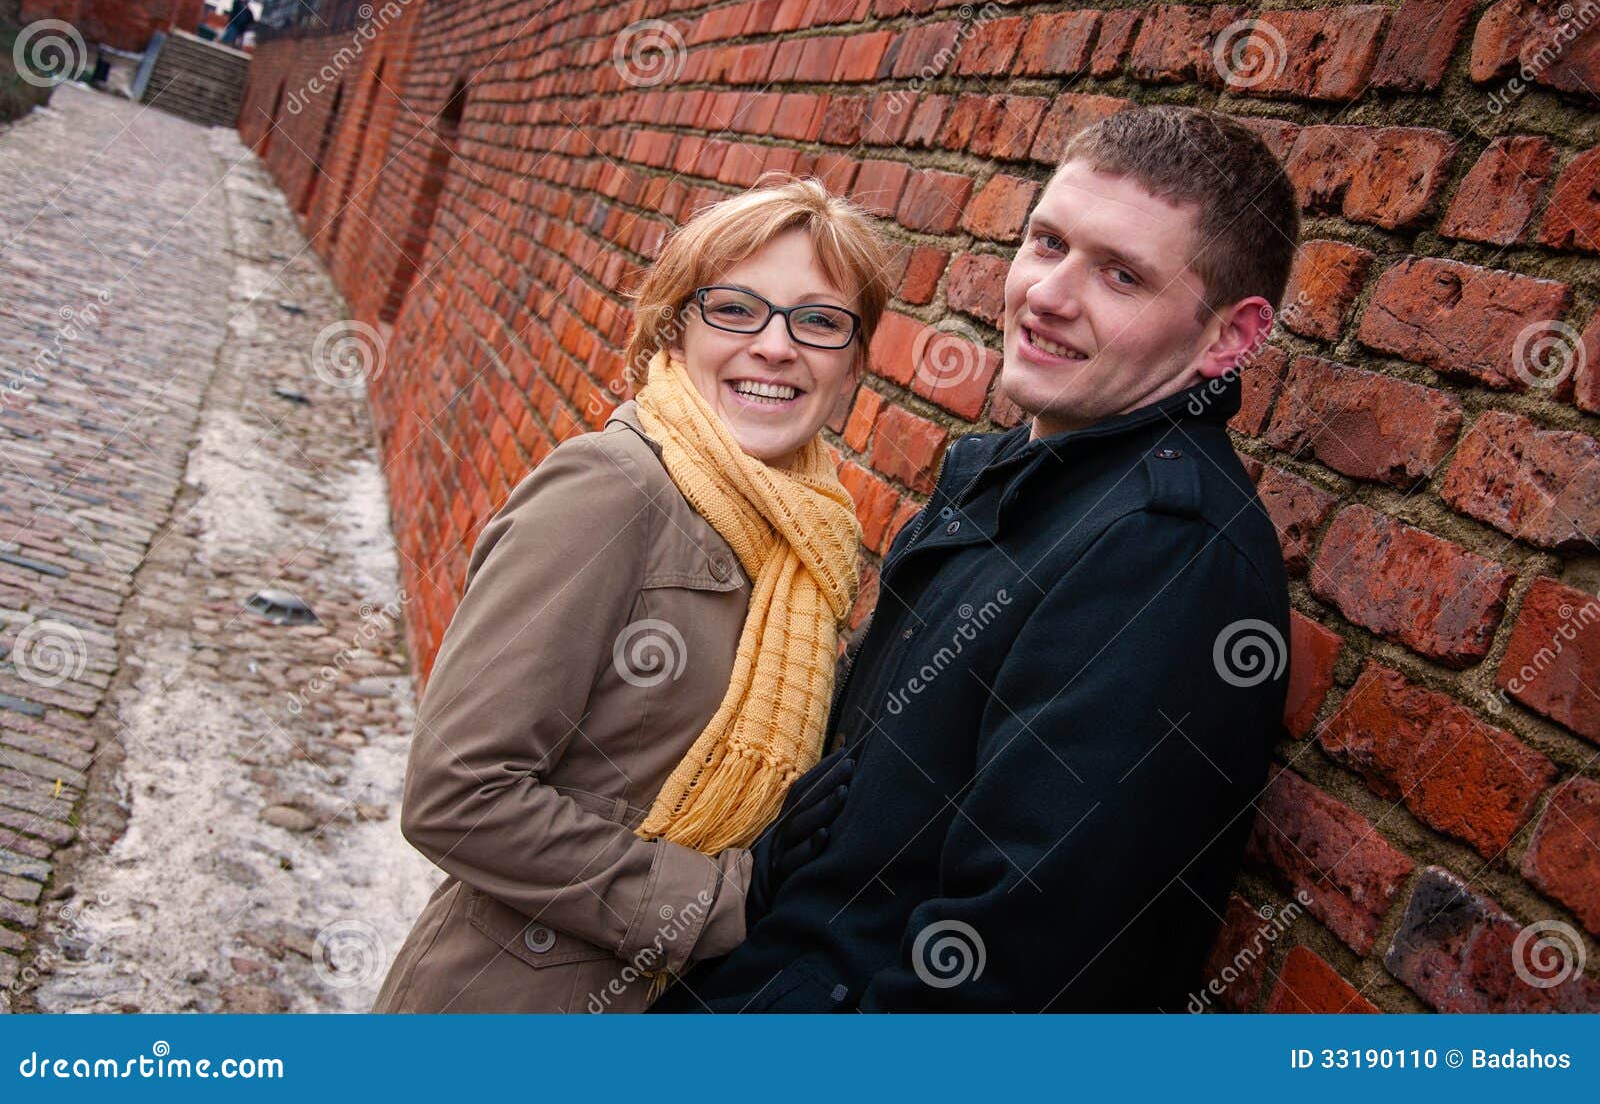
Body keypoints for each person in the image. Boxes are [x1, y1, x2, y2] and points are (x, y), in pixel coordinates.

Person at [652, 104, 1299, 1013]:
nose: (1049, 294)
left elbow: (1014, 979)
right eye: (1047, 242)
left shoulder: (1167, 558)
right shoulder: (1019, 474)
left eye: (1120, 275)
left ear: (1228, 338)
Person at [372, 175, 892, 1012]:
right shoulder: (612, 488)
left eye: (820, 322)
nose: (775, 345)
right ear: (676, 331)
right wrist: (723, 901)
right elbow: (456, 795)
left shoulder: (808, 548)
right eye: (735, 308)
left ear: (853, 367)